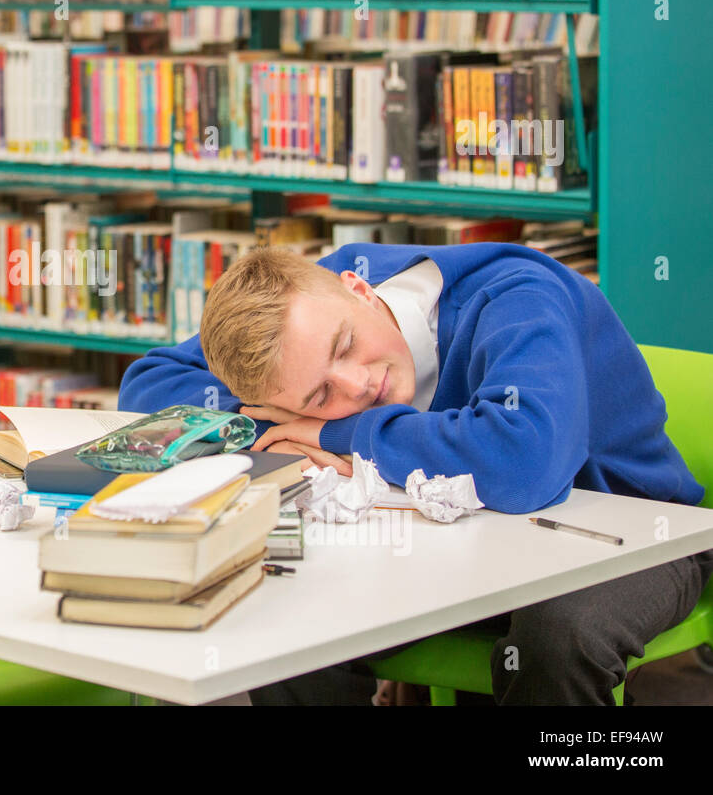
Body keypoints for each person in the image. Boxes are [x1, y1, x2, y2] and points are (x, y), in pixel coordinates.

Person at [118, 242, 712, 705]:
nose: (358, 384)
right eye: (320, 392)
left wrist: (335, 430)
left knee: (559, 635)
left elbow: (525, 458)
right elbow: (149, 385)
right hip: (456, 546)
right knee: (284, 607)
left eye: (346, 344)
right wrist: (270, 421)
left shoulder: (515, 294)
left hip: (633, 539)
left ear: (360, 289)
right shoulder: (295, 318)